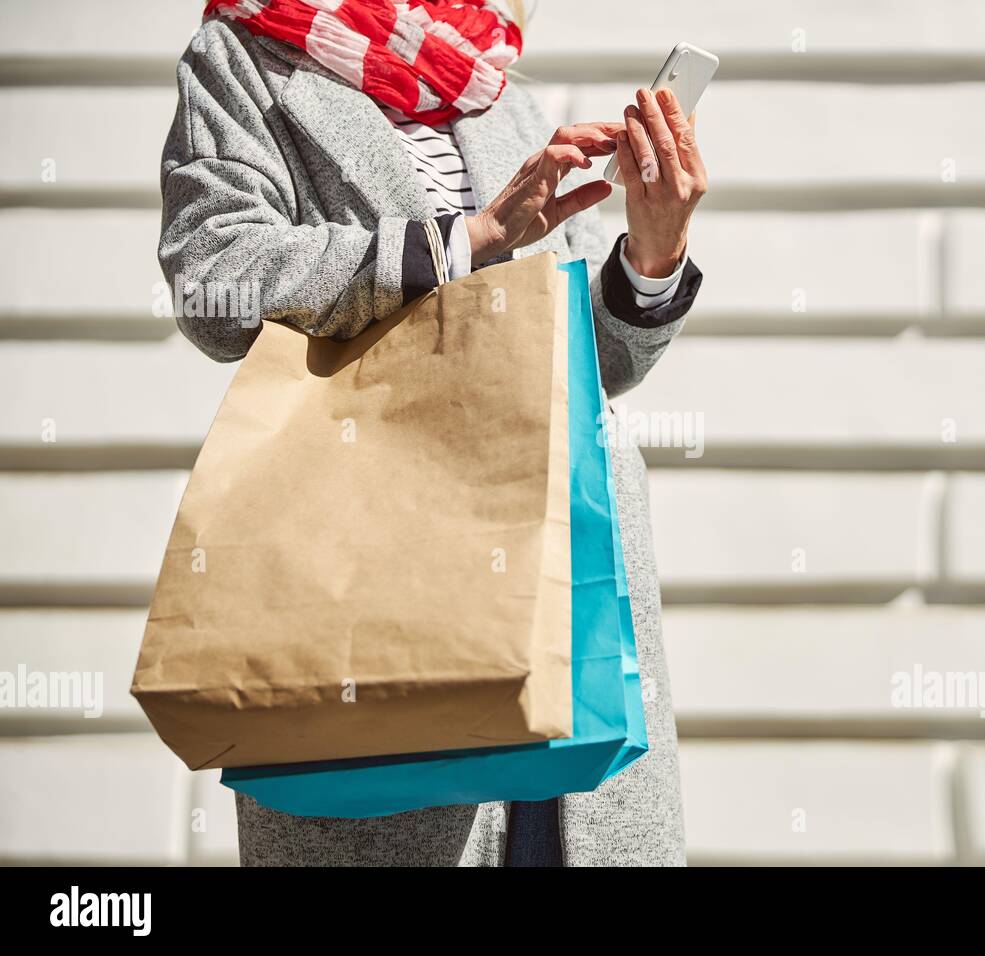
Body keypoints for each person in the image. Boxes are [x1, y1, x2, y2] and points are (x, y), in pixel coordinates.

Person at [159, 0, 705, 866]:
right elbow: (212, 277)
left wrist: (651, 257)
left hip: (567, 591)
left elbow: (583, 357)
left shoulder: (488, 80)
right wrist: (461, 242)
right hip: (377, 591)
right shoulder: (245, 56)